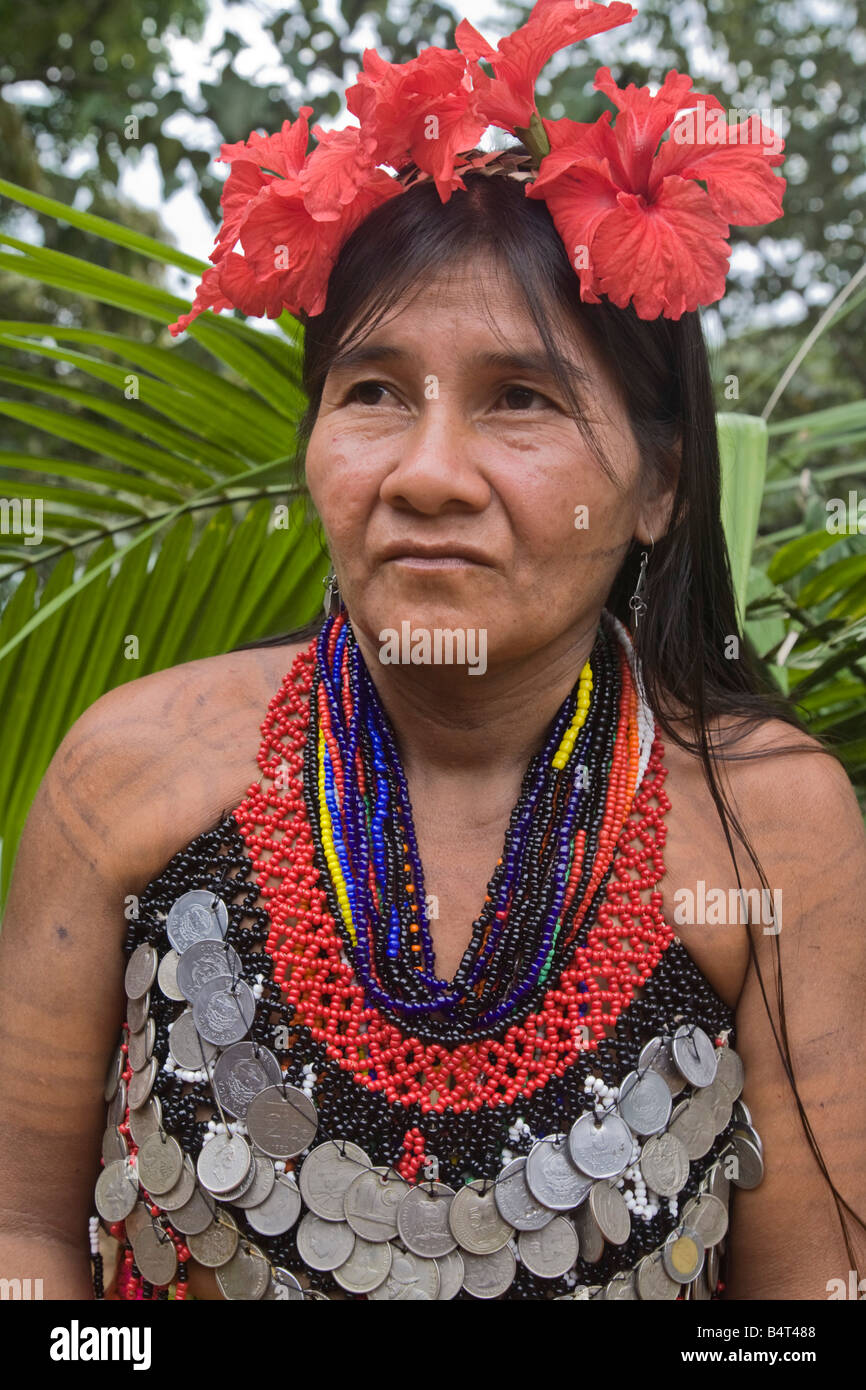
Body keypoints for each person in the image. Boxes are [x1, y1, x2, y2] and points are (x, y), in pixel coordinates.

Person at [1, 1, 865, 1302]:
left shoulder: (772, 823)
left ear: (657, 485)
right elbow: (19, 1231)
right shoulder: (126, 770)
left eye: (518, 397)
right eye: (372, 392)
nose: (427, 473)